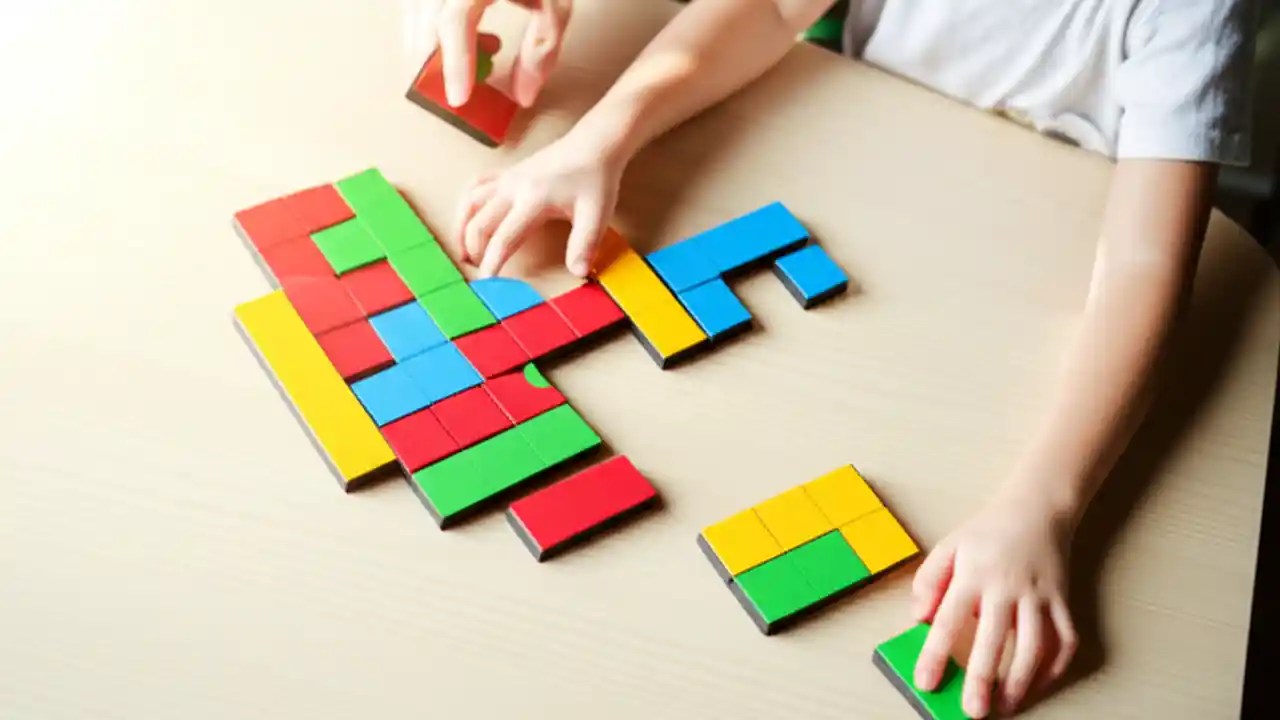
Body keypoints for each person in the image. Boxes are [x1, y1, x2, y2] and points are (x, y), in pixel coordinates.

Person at [420, 0, 1257, 716]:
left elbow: (1146, 266)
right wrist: (605, 135)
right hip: (858, 206)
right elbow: (770, 10)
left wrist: (1045, 504)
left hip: (997, 298)